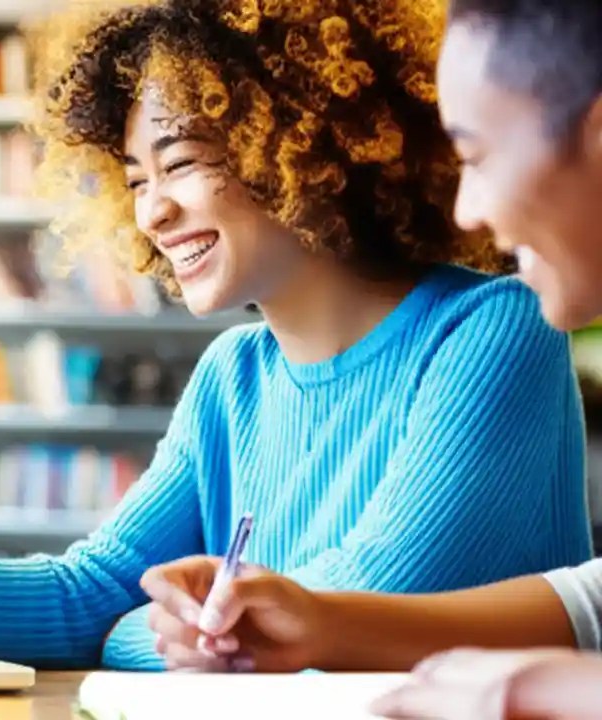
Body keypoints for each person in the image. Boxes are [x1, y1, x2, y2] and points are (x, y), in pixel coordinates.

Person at [0, 0, 593, 672]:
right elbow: (89, 592)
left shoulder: (493, 332)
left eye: (182, 162)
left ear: (309, 144)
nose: (152, 210)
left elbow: (324, 633)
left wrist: (128, 632)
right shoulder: (236, 375)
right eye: (134, 176)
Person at [137, 0, 602, 716]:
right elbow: (590, 601)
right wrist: (312, 626)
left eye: (476, 158)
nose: (468, 209)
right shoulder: (232, 372)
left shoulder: (489, 326)